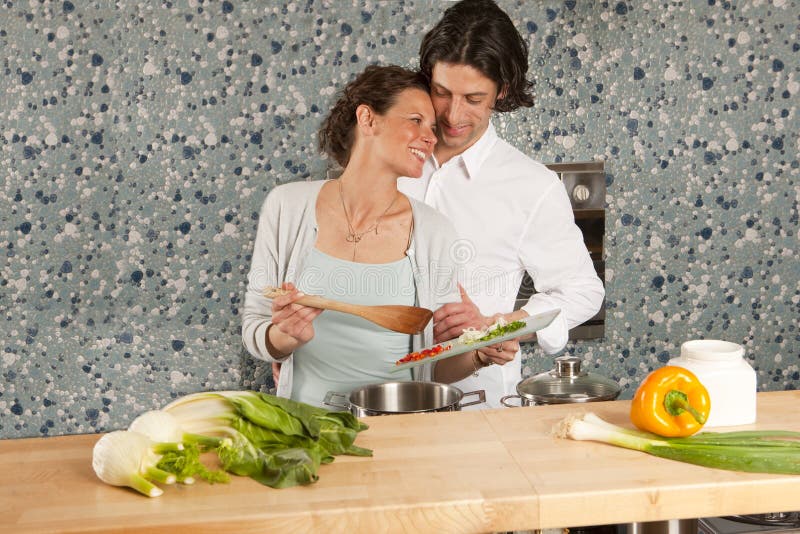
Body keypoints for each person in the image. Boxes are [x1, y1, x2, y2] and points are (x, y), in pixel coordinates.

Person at [242, 65, 515, 407]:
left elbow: (432, 366)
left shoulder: (434, 231)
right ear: (368, 119)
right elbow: (254, 327)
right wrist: (284, 337)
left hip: (400, 425)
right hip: (305, 423)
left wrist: (479, 355)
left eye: (432, 128)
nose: (431, 137)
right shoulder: (287, 206)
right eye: (416, 120)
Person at [397, 0, 605, 408]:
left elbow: (582, 291)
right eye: (441, 92)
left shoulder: (531, 186)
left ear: (502, 91)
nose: (453, 114)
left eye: (474, 98)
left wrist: (499, 327)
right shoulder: (387, 158)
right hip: (379, 392)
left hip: (477, 402)